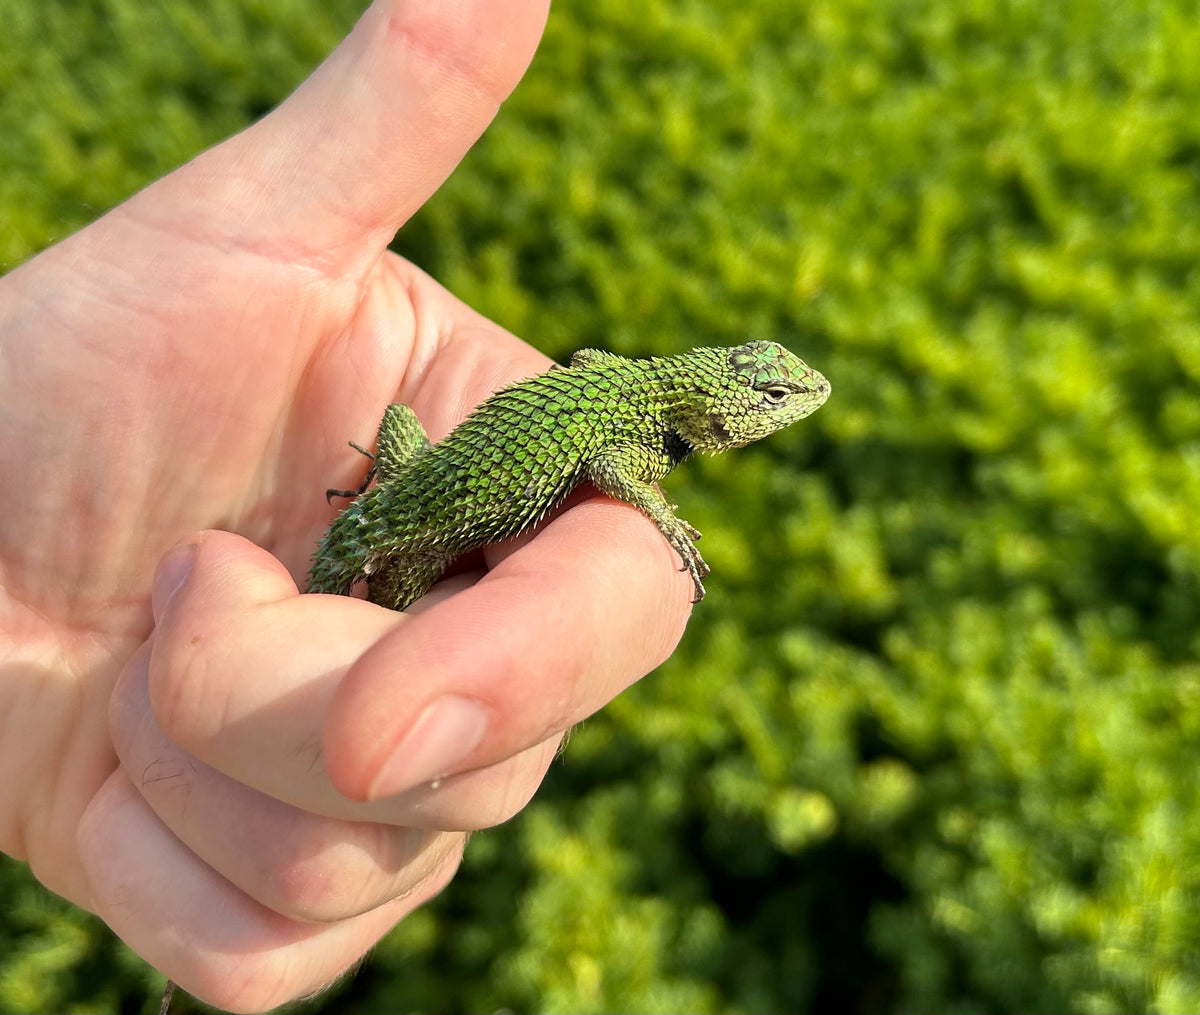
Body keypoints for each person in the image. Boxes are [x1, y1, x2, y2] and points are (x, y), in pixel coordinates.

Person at [0, 1, 692, 1009]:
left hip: (406, 483)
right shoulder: (633, 439)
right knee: (388, 643)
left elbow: (584, 365)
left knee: (399, 655)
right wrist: (663, 520)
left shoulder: (623, 378)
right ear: (718, 406)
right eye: (772, 393)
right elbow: (616, 471)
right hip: (415, 528)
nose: (791, 399)